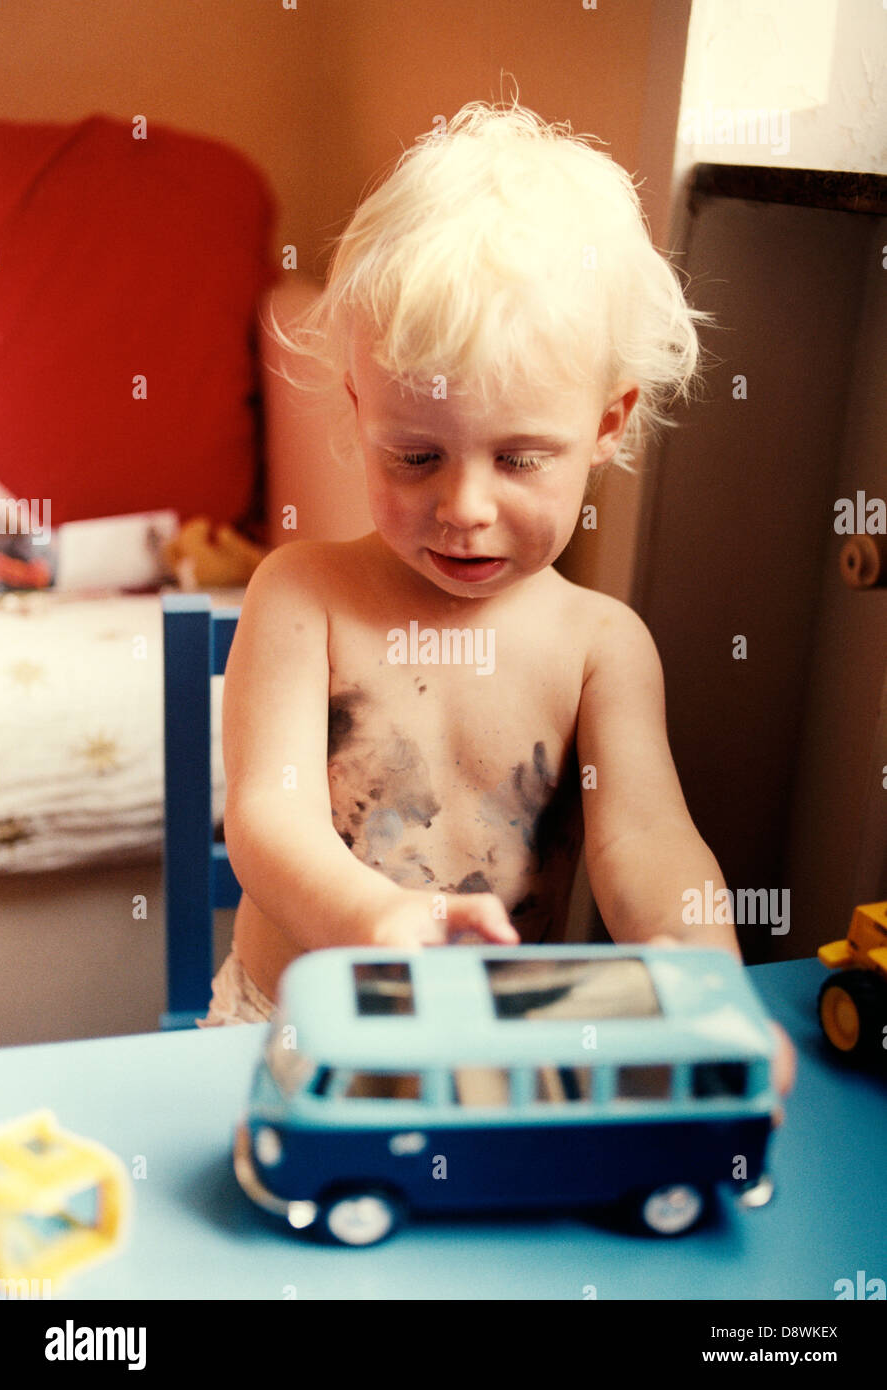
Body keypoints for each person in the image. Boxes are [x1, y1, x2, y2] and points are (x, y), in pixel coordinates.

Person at [197, 98, 794, 1107]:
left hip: (496, 1054)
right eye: (415, 455)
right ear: (357, 407)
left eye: (519, 457)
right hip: (286, 1037)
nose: (463, 507)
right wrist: (381, 919)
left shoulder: (602, 645)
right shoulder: (301, 596)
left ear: (608, 422)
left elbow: (645, 843)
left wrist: (712, 994)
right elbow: (267, 817)